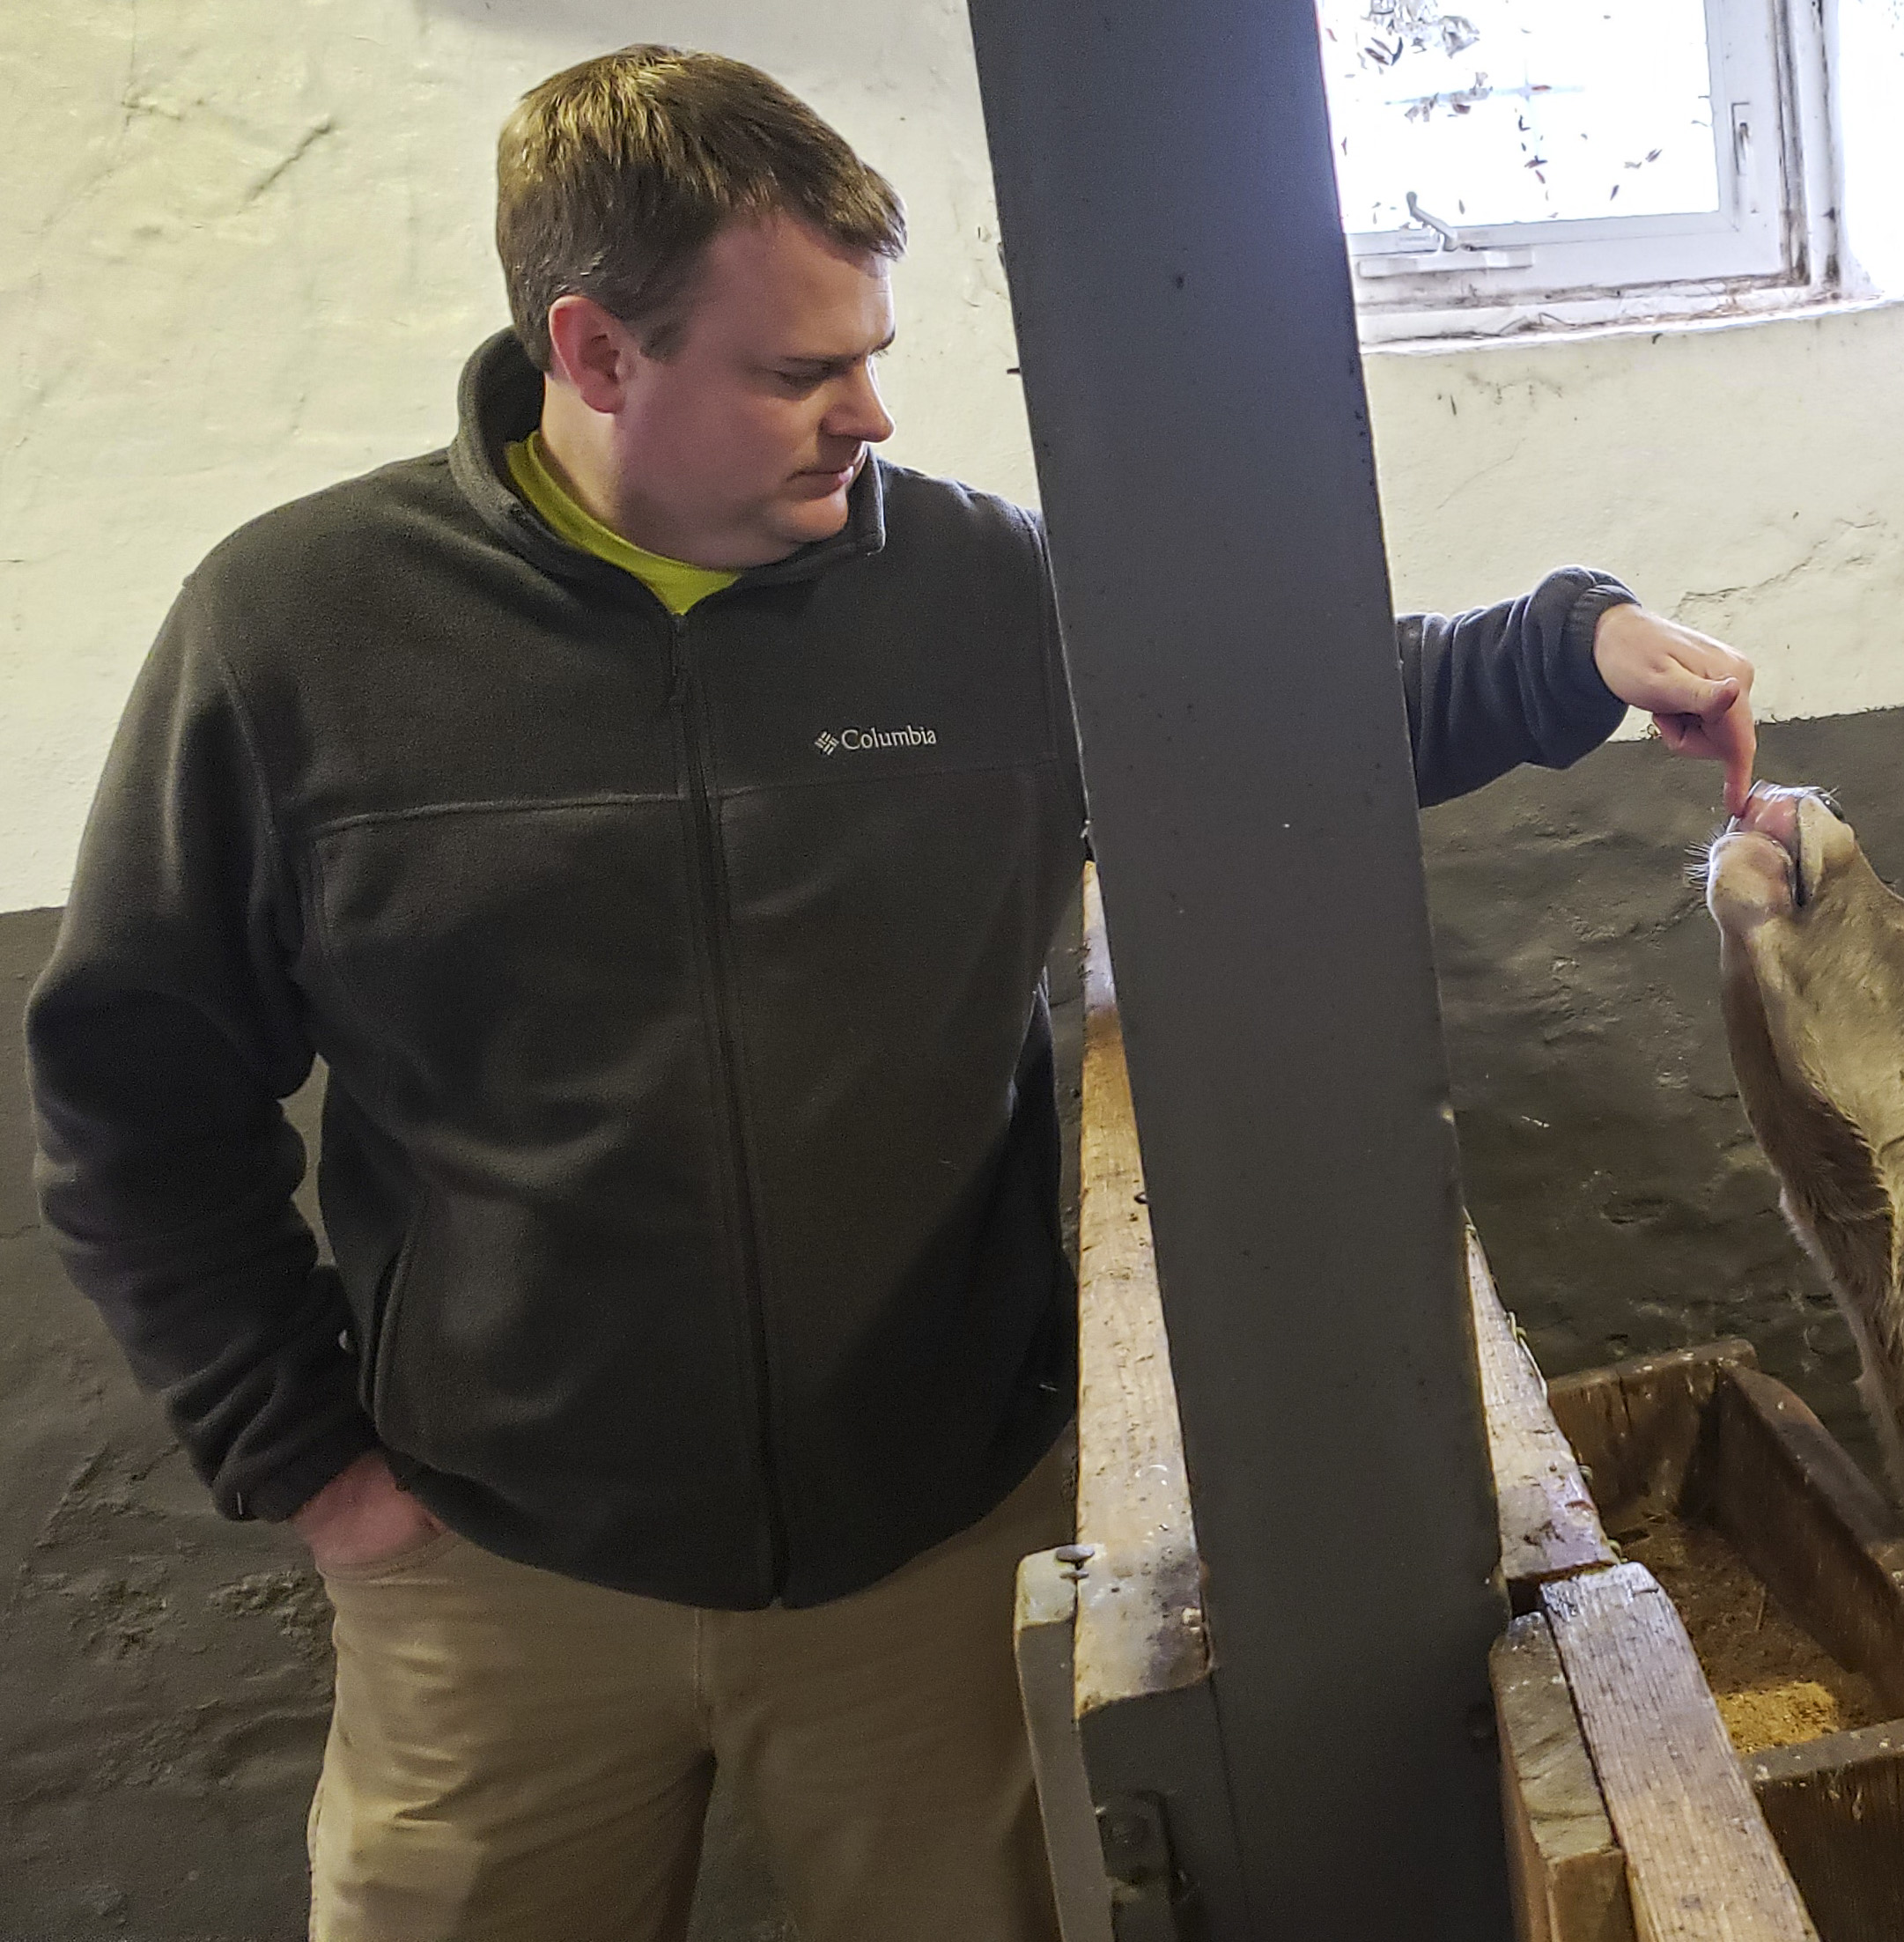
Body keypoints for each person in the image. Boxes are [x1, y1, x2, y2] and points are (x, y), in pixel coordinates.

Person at [25, 43, 1759, 1942]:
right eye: (796, 371)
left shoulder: (973, 593)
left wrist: (1571, 640)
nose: (866, 412)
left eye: (871, 351)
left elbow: (1277, 702)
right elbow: (132, 1082)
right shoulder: (299, 634)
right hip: (501, 1581)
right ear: (593, 351)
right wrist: (306, 1458)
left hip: (930, 1557)